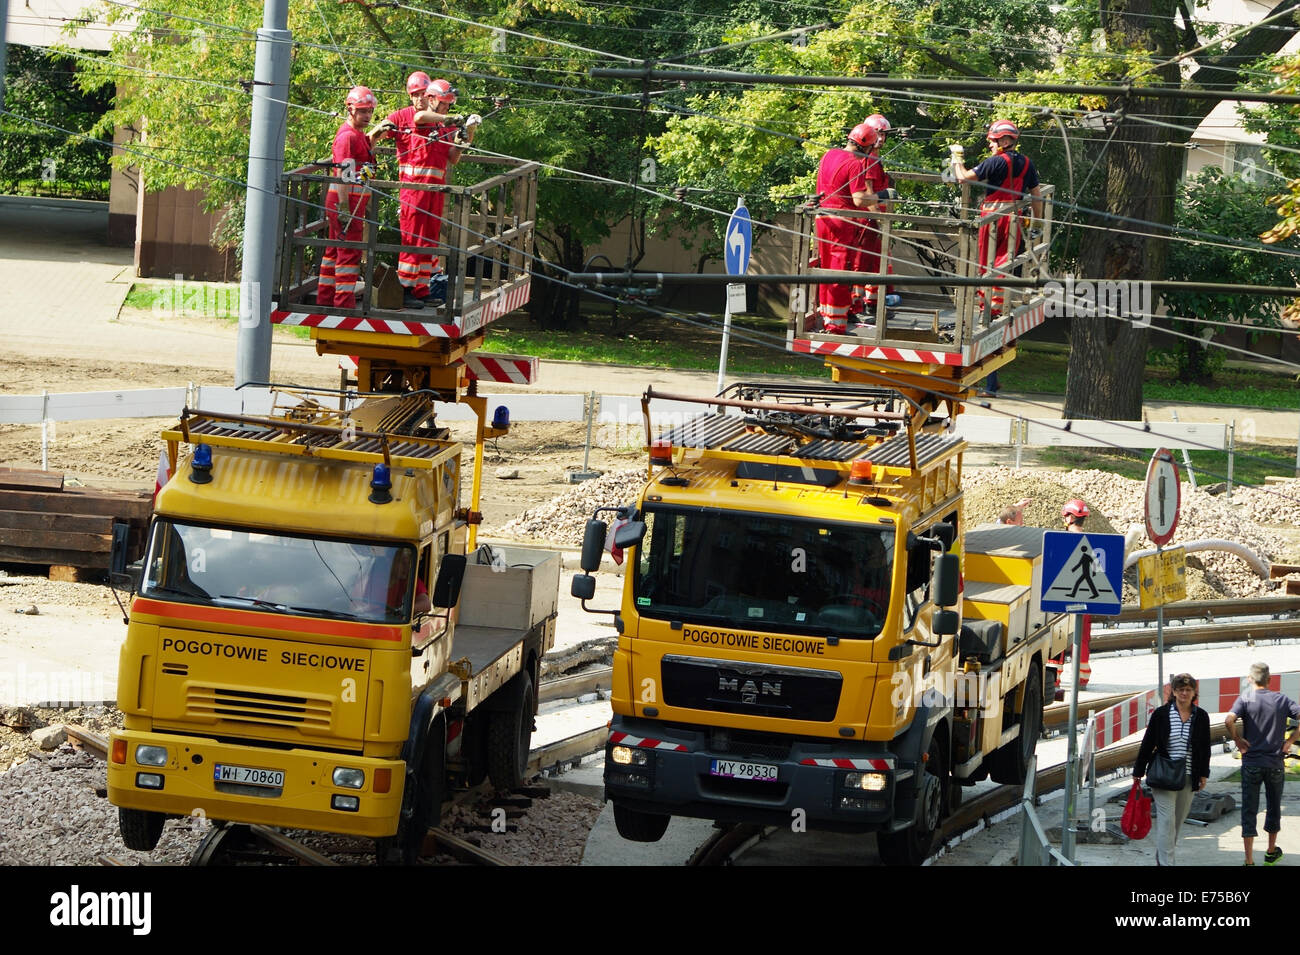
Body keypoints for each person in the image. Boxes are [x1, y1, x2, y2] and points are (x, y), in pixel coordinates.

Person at [370, 73, 478, 310]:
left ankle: (422, 288)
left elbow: (454, 158)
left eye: (423, 94)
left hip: (435, 190)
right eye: (416, 95)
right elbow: (418, 118)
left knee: (428, 240)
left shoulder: (443, 124)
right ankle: (406, 288)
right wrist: (452, 118)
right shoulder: (405, 116)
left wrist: (468, 133)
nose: (419, 99)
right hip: (413, 189)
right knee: (413, 239)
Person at [951, 120, 1044, 317]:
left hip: (992, 218)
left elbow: (964, 177)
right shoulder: (1028, 163)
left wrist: (957, 159)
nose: (990, 144)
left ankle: (989, 308)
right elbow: (1036, 195)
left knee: (987, 262)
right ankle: (997, 305)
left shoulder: (995, 161)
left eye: (993, 141)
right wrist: (1037, 221)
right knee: (1005, 261)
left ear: (1004, 141)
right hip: (1015, 219)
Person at [1226, 662, 1300, 865]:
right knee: (1273, 807)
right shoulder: (1281, 699)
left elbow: (1228, 720)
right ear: (1269, 680)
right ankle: (1270, 851)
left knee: (1249, 810)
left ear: (1250, 679)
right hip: (1274, 762)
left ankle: (1249, 860)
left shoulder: (1245, 698)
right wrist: (1290, 742)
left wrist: (1237, 740)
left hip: (1251, 763)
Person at [1133, 672, 1211, 866]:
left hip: (1188, 776)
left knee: (1176, 824)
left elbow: (1205, 747)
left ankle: (1162, 857)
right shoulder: (1161, 714)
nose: (1184, 693)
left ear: (1194, 693)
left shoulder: (1200, 716)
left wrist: (1203, 774)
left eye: (1188, 690)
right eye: (1180, 690)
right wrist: (1138, 771)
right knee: (1166, 822)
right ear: (1174, 692)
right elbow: (1147, 742)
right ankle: (1168, 863)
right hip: (1164, 775)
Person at [814, 123, 884, 335]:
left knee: (825, 268)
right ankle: (836, 325)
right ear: (866, 147)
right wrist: (882, 196)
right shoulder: (856, 164)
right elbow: (859, 199)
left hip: (821, 218)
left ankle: (827, 317)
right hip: (841, 223)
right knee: (839, 271)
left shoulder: (829, 154)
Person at [318, 86, 377, 310]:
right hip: (346, 202)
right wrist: (344, 208)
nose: (368, 116)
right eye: (363, 111)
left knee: (334, 251)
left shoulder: (358, 135)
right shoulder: (347, 137)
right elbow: (343, 173)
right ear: (350, 109)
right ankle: (343, 302)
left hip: (350, 202)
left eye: (370, 111)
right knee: (348, 252)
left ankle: (326, 297)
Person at [851, 113, 900, 317]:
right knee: (864, 263)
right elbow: (869, 192)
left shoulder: (874, 157)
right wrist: (881, 221)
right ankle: (859, 305)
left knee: (873, 262)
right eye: (878, 134)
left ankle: (871, 303)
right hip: (868, 219)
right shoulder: (870, 159)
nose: (882, 138)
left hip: (871, 218)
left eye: (884, 135)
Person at [1061, 498, 1093, 686]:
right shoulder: (1092, 541)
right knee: (1082, 636)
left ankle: (1054, 677)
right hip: (1086, 598)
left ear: (1070, 518)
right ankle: (1082, 677)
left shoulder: (1061, 540)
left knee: (1058, 635)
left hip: (1062, 596)